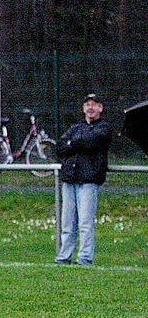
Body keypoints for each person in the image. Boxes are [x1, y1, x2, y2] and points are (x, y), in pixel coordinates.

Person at [55, 93, 112, 265]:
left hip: (88, 181)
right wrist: (73, 143)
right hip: (70, 180)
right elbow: (60, 147)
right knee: (67, 224)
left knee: (85, 224)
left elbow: (92, 142)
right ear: (83, 108)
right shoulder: (75, 127)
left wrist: (73, 143)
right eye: (87, 104)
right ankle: (64, 256)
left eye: (94, 104)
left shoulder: (104, 128)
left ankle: (84, 258)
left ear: (100, 108)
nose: (91, 108)